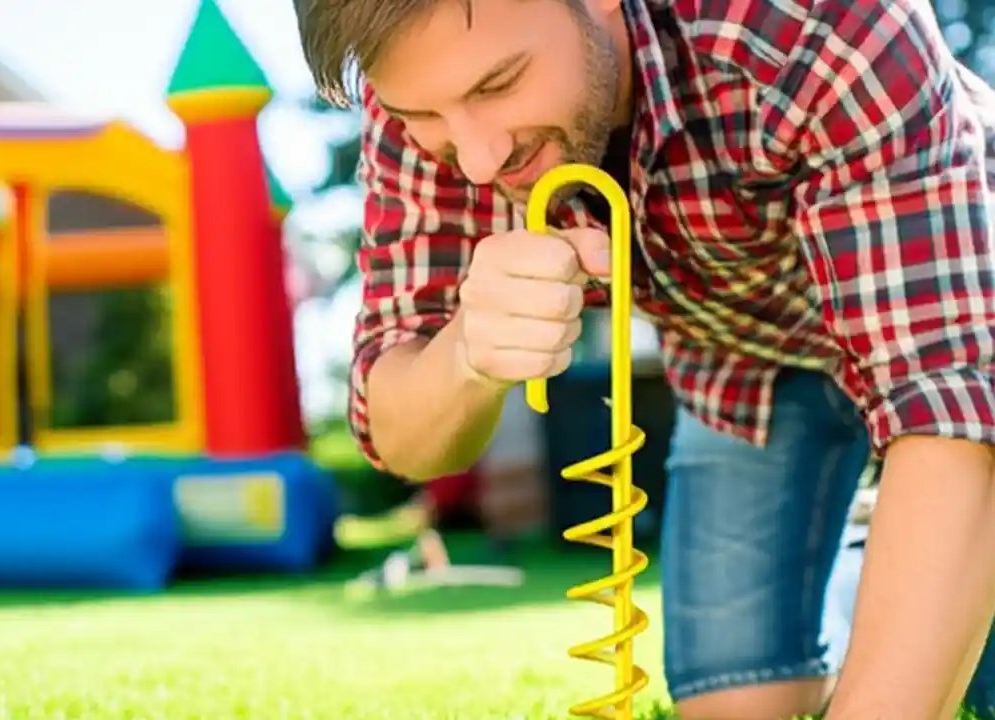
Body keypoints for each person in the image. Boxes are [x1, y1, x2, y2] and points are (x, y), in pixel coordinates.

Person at [293, 0, 995, 717]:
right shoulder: (427, 92)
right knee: (737, 705)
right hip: (747, 365)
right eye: (425, 116)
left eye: (498, 84)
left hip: (962, 308)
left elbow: (951, 394)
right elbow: (400, 431)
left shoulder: (817, 21)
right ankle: (883, 575)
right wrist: (466, 354)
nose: (475, 160)